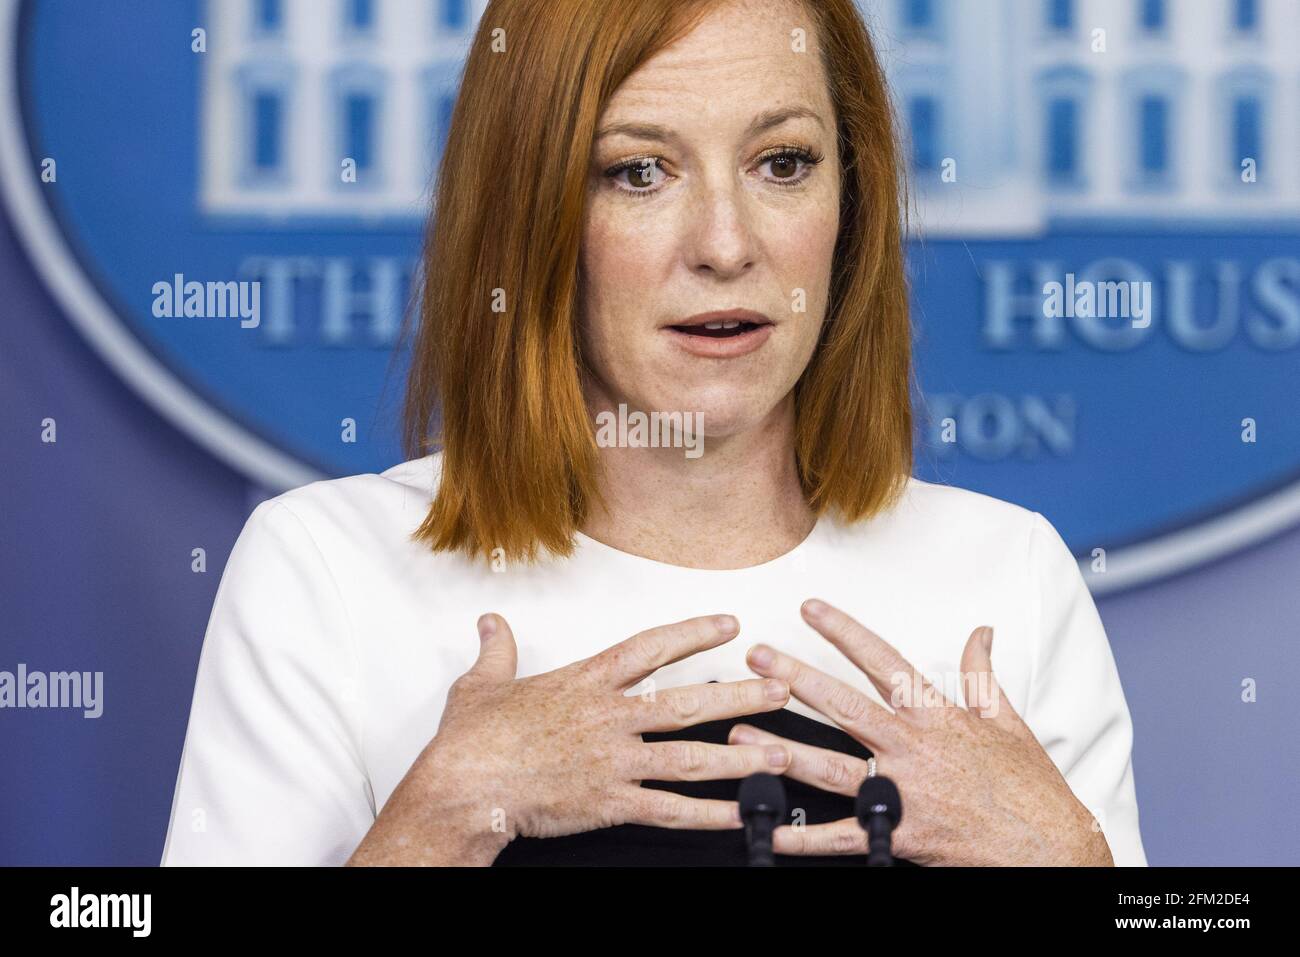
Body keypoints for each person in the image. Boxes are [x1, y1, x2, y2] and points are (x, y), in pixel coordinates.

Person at [160, 0, 1146, 867]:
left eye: (782, 163)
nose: (724, 245)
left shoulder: (1006, 576)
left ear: (852, 200)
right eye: (639, 173)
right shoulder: (328, 572)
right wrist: (440, 823)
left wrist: (1064, 862)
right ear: (531, 213)